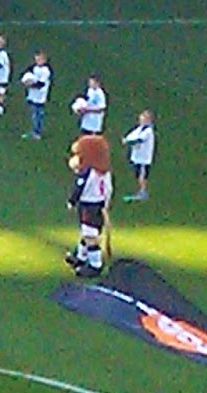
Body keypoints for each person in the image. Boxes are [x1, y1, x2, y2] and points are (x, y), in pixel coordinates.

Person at [65, 134, 113, 277]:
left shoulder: (88, 172)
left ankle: (95, 265)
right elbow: (109, 189)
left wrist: (72, 201)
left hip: (88, 206)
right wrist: (106, 203)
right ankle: (81, 257)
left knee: (89, 235)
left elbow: (79, 187)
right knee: (87, 232)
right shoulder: (105, 172)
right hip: (98, 205)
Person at [122, 110, 156, 202]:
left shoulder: (148, 131)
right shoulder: (140, 129)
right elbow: (131, 136)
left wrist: (127, 142)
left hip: (144, 158)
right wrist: (127, 139)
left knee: (142, 175)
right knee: (138, 175)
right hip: (137, 157)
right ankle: (140, 191)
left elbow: (139, 139)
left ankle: (143, 192)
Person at [20, 51, 52, 140]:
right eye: (36, 59)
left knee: (38, 113)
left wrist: (29, 84)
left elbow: (41, 84)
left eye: (40, 59)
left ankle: (37, 132)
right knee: (34, 113)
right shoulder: (34, 68)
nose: (38, 61)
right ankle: (35, 130)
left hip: (40, 95)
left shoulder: (46, 71)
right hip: (33, 94)